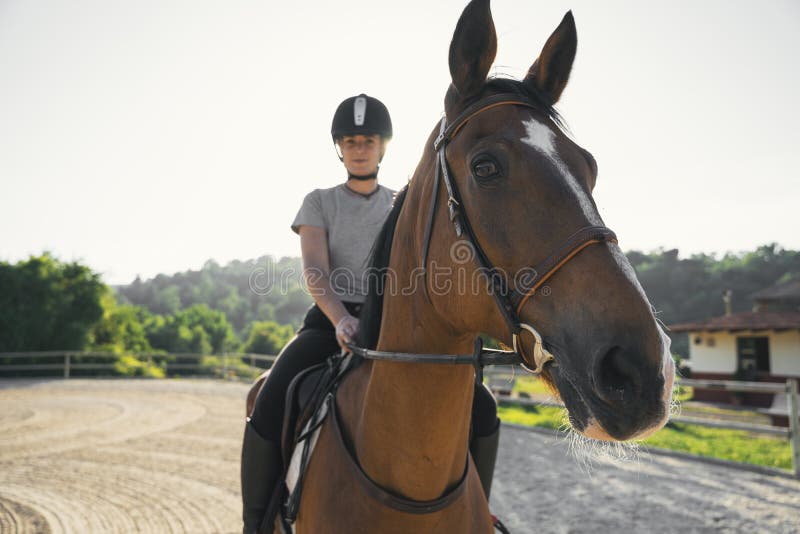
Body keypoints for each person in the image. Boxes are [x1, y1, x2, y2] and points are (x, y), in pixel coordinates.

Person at [240, 94, 500, 533]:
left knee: (482, 407)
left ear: (383, 146)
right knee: (269, 399)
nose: (360, 147)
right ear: (339, 148)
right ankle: (256, 524)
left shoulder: (404, 204)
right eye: (351, 140)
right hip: (330, 324)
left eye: (368, 140)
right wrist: (341, 318)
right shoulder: (319, 202)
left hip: (393, 326)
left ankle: (479, 514)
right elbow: (316, 272)